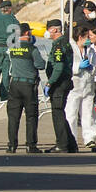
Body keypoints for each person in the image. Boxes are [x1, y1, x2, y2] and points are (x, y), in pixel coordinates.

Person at [4, 24, 44, 153]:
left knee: (13, 117)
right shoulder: (32, 49)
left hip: (14, 84)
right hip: (28, 85)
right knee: (31, 116)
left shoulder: (13, 48)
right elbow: (40, 65)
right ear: (27, 33)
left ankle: (11, 145)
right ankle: (30, 145)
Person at [42, 19, 77, 153]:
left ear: (55, 30)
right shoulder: (64, 43)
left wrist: (50, 82)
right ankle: (71, 144)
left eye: (49, 29)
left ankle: (62, 145)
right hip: (64, 81)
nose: (47, 32)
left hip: (59, 83)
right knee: (60, 113)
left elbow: (58, 66)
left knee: (58, 114)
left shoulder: (58, 45)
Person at [66, 25, 96, 149]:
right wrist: (77, 66)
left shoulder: (90, 50)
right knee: (71, 114)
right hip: (74, 87)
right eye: (87, 37)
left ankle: (90, 138)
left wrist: (92, 68)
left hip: (88, 86)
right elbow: (66, 66)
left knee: (89, 114)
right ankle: (71, 139)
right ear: (80, 37)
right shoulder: (70, 48)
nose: (89, 39)